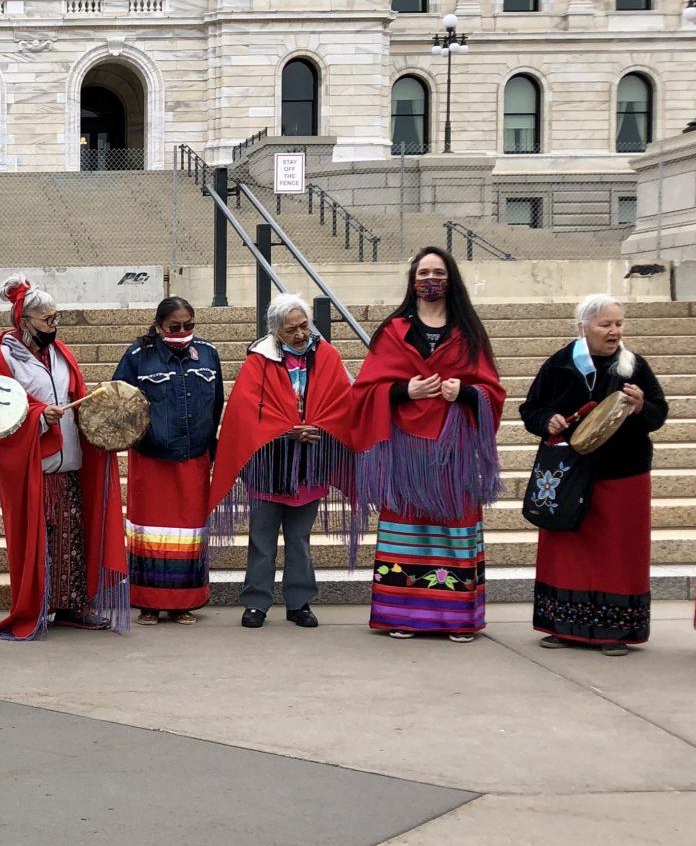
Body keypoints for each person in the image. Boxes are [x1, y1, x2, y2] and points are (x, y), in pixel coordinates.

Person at [352, 248, 506, 641]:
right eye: (423, 272)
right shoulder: (393, 330)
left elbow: (493, 390)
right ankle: (401, 615)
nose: (430, 279)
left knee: (454, 529)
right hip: (405, 450)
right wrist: (406, 390)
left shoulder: (468, 332)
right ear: (413, 280)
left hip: (453, 451)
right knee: (406, 530)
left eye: (438, 272)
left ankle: (457, 618)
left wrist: (466, 393)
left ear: (450, 279)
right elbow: (365, 389)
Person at [519, 295, 669, 656]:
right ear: (582, 327)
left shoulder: (634, 367)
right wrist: (547, 421)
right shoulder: (560, 365)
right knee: (565, 549)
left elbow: (659, 414)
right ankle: (561, 625)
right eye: (606, 324)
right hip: (569, 472)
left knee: (617, 552)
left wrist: (639, 407)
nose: (614, 331)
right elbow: (531, 409)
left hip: (622, 474)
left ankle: (613, 631)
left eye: (618, 323)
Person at [0, 276, 129, 639]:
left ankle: (72, 607)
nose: (53, 326)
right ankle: (36, 607)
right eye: (47, 320)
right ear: (24, 321)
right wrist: (37, 415)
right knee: (40, 541)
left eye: (55, 318)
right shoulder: (3, 359)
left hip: (71, 463)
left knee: (72, 540)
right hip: (36, 466)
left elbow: (74, 394)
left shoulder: (61, 352)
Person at [208, 292, 362, 630]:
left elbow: (343, 403)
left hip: (311, 462)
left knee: (299, 539)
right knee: (262, 539)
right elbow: (245, 415)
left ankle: (299, 602)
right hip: (268, 464)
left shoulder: (327, 356)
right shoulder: (258, 361)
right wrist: (285, 430)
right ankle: (256, 604)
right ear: (276, 331)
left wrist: (319, 426)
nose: (300, 334)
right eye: (291, 329)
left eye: (304, 326)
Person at [112, 297, 223, 625]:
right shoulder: (138, 355)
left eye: (189, 325)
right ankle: (147, 603)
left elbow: (216, 404)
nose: (183, 331)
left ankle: (183, 603)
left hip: (193, 458)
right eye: (175, 327)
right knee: (149, 532)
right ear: (159, 326)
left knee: (188, 533)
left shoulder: (208, 353)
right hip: (152, 459)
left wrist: (210, 447)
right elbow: (118, 401)